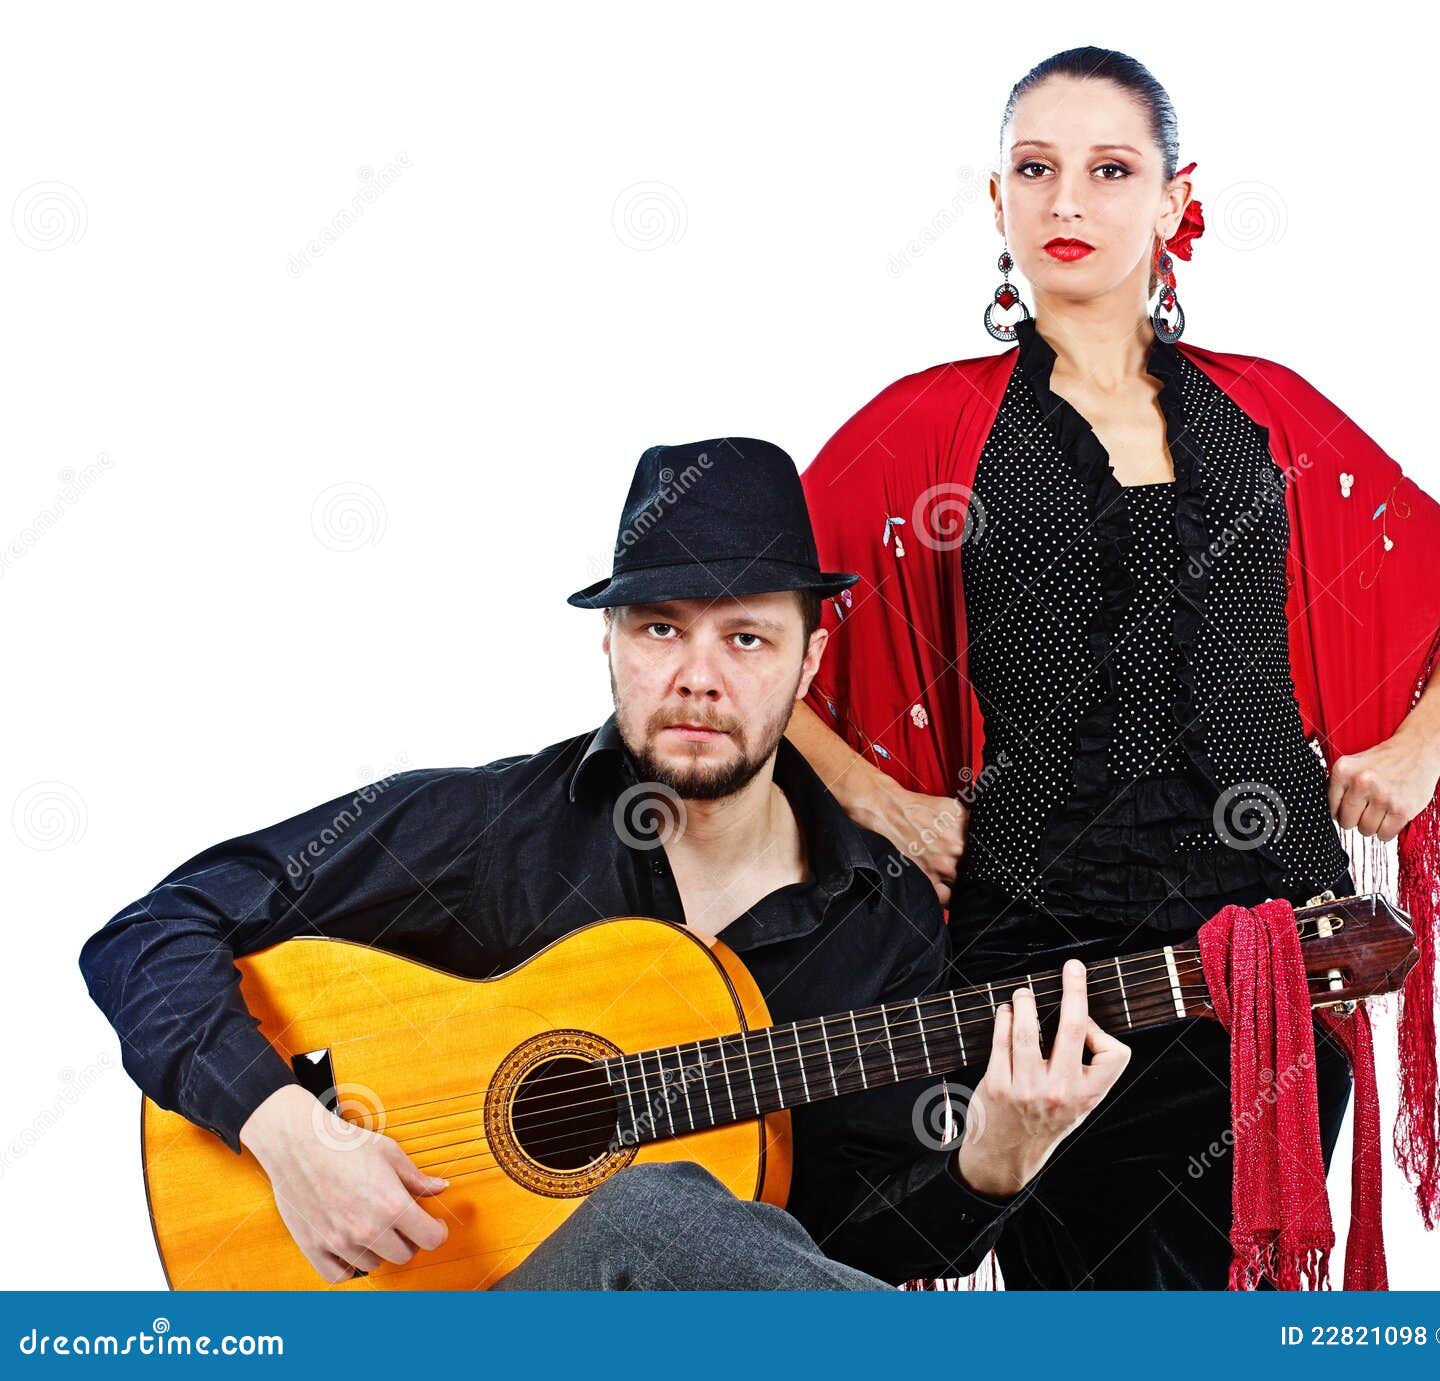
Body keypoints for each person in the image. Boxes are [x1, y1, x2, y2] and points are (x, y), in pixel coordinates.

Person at [785, 48, 1440, 1289]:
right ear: (995, 204)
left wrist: (1419, 746)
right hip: (1036, 957)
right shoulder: (928, 424)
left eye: (1108, 170)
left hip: (1275, 947)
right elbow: (742, 622)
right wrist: (871, 797)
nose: (1067, 204)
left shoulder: (1269, 414)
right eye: (1036, 170)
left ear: (1177, 198)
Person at [79, 435, 1132, 1290]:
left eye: (749, 640)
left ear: (812, 660)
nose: (698, 677)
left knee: (685, 1221)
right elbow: (147, 936)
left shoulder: (880, 911)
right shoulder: (499, 825)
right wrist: (288, 1133)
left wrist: (989, 1168)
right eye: (661, 629)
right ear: (611, 645)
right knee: (658, 1207)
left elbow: (843, 1258)